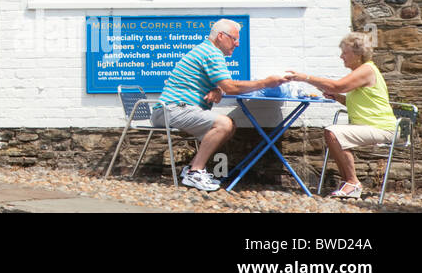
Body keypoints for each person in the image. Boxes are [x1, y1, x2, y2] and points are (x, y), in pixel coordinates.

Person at [151, 18, 288, 191]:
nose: (237, 44)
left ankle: (191, 170)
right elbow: (230, 87)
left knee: (229, 126)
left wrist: (218, 90)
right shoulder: (212, 53)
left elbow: (223, 85)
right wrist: (266, 83)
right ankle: (195, 172)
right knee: (224, 123)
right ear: (221, 36)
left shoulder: (206, 50)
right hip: (171, 110)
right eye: (234, 39)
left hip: (172, 109)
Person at [287, 32, 398, 199]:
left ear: (358, 54)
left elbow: (337, 85)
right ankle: (349, 183)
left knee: (333, 133)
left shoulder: (366, 70)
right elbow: (357, 102)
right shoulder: (363, 71)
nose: (341, 56)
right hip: (371, 126)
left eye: (344, 53)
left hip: (383, 128)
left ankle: (352, 183)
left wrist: (304, 77)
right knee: (334, 133)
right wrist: (338, 98)